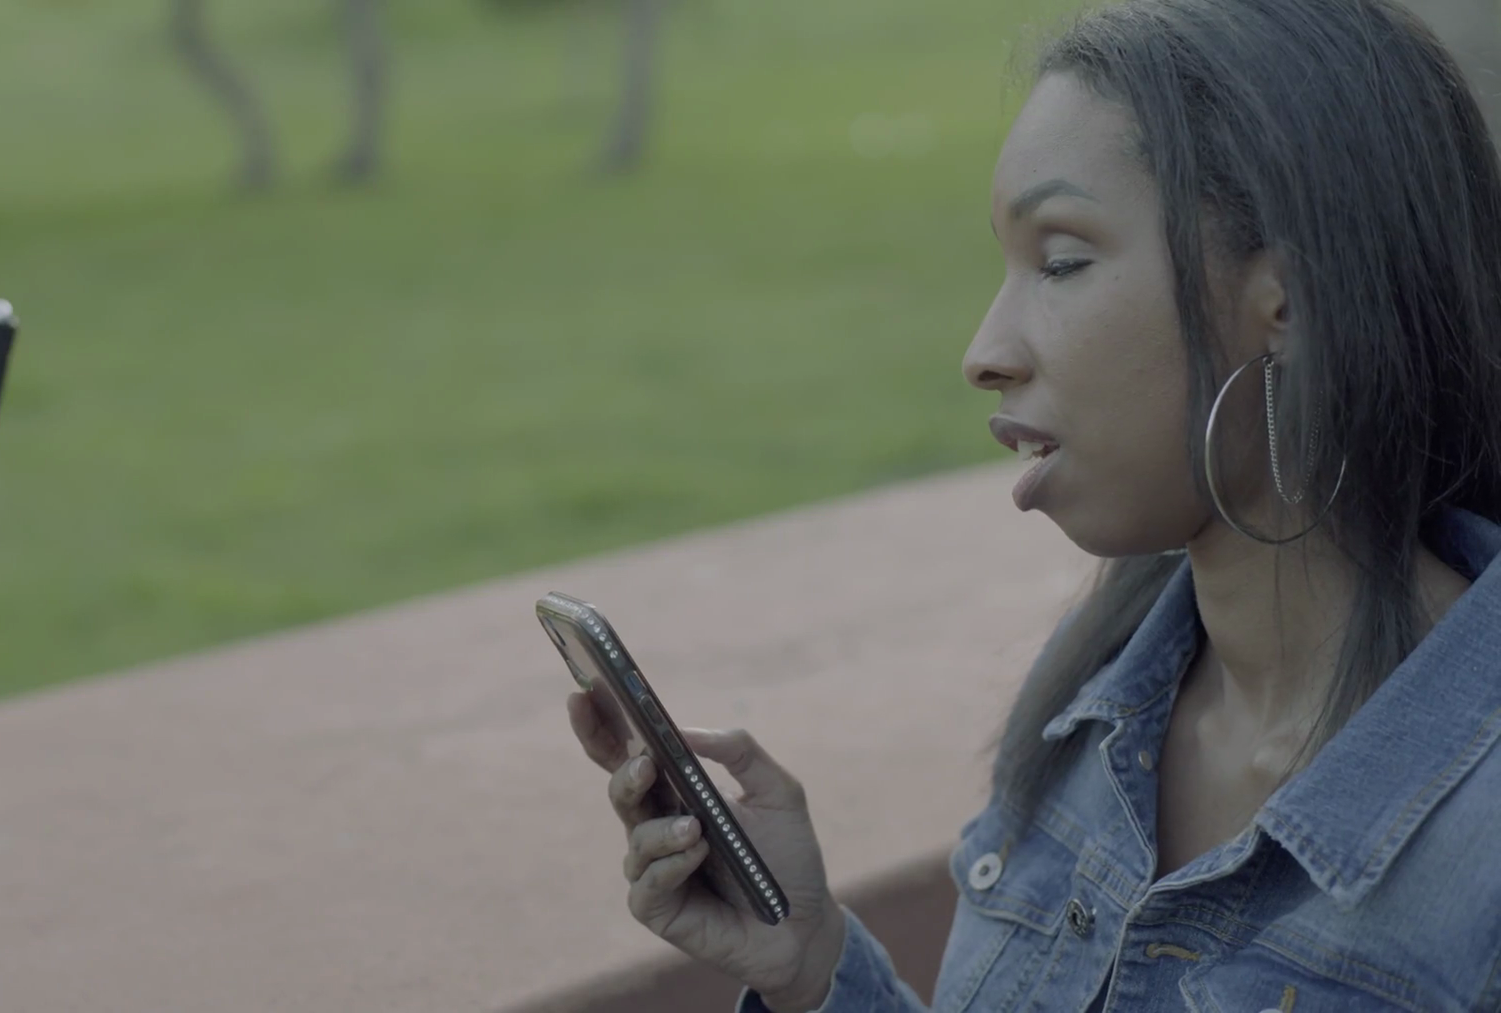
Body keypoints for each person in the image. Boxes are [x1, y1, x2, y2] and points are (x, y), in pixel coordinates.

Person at [564, 0, 1501, 1009]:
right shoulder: (1087, 720)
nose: (985, 351)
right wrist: (813, 961)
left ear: (1291, 298)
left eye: (1060, 260)